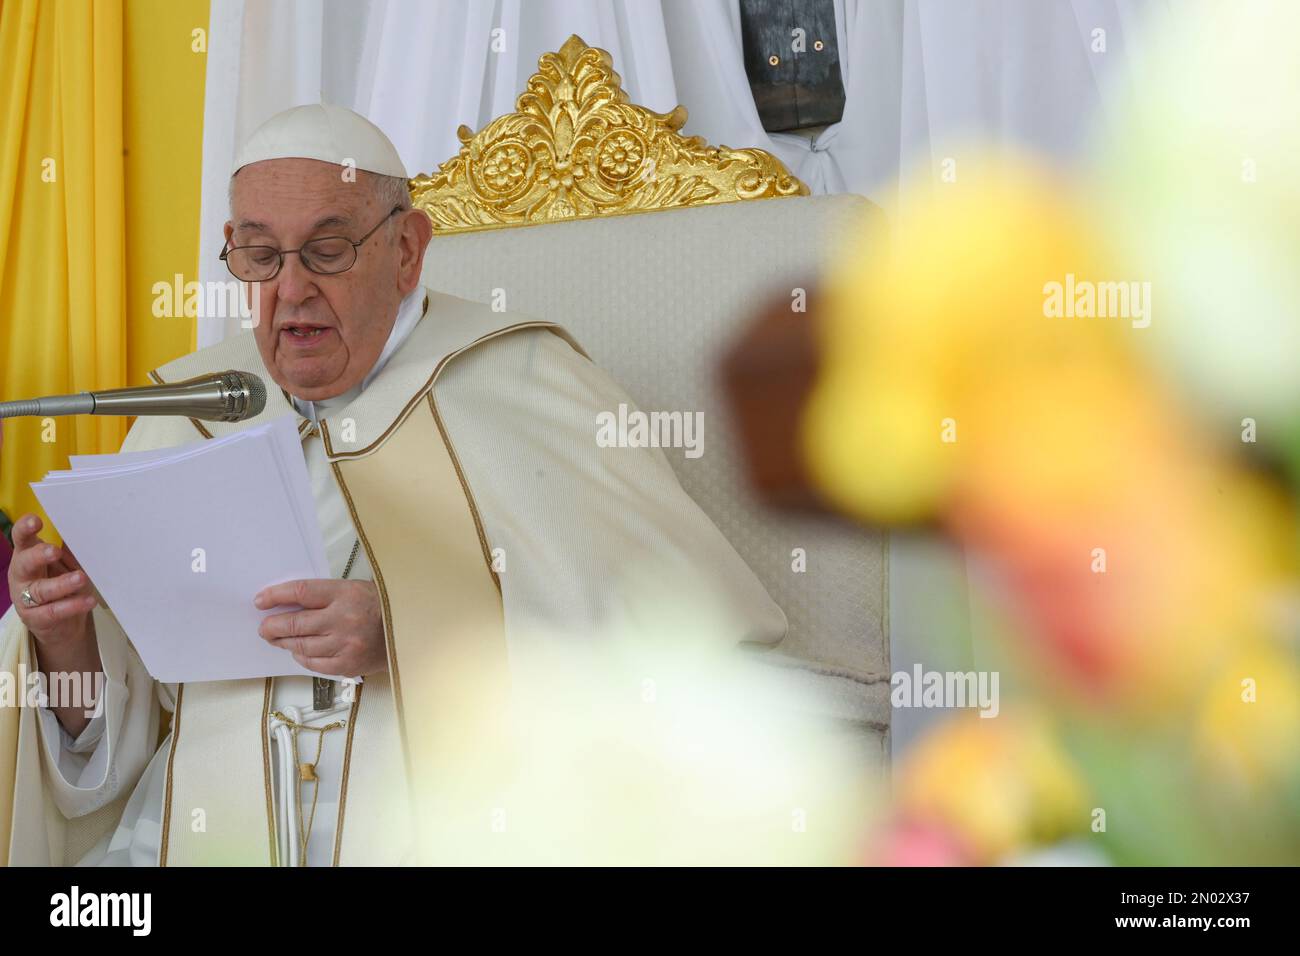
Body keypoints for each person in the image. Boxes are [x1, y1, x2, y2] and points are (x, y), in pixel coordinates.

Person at [0, 104, 786, 865]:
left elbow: (693, 643)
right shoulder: (191, 408)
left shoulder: (520, 380)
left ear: (408, 249)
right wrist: (64, 638)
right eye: (260, 256)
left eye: (328, 249)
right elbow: (123, 736)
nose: (292, 290)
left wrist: (409, 636)